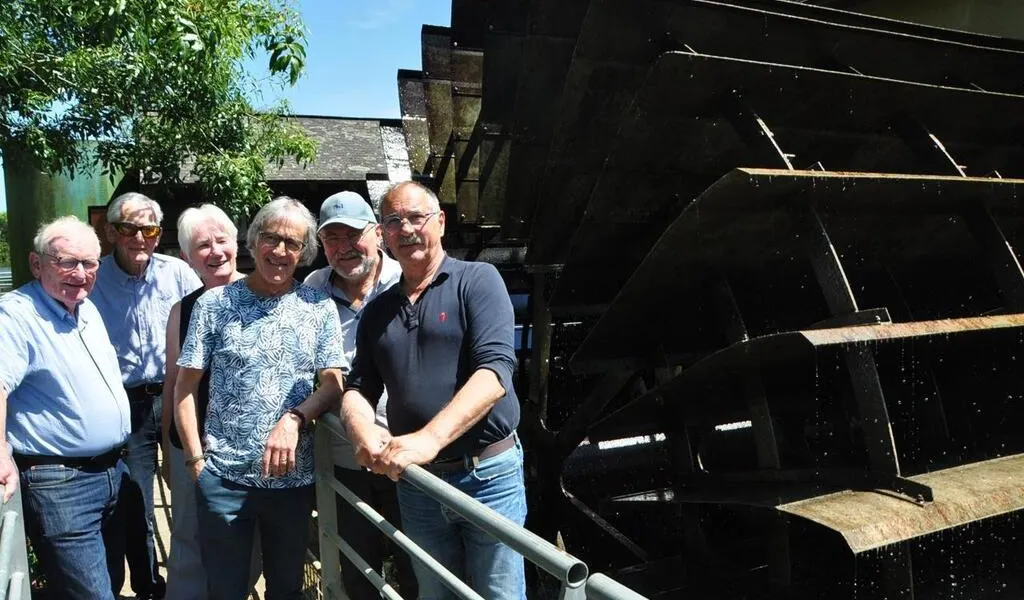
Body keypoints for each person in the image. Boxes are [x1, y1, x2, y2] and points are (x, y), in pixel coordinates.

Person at [341, 181, 526, 600]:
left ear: (440, 222)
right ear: (383, 235)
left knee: (498, 595)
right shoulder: (378, 310)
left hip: (487, 476)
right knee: (435, 593)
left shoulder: (479, 280)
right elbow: (358, 386)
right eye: (392, 221)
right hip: (418, 484)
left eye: (415, 217)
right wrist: (360, 429)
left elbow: (495, 372)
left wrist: (429, 439)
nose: (405, 229)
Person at [175, 196, 345, 599]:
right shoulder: (214, 304)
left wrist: (295, 418)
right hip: (223, 480)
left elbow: (333, 383)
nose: (281, 251)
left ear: (304, 254)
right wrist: (196, 463)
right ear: (253, 242)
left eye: (294, 244)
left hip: (291, 480)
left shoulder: (318, 307)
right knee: (225, 590)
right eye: (272, 238)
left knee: (286, 590)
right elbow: (184, 390)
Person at [0, 216, 131, 599]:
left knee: (102, 584)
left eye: (90, 263)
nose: (81, 273)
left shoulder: (85, 309)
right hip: (61, 483)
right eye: (67, 262)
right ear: (37, 263)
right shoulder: (16, 314)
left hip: (111, 472)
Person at [303, 191, 417, 599]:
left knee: (414, 564)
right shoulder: (313, 289)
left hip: (406, 455)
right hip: (343, 456)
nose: (343, 247)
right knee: (357, 565)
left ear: (377, 233)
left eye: (353, 234)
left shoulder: (407, 277)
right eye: (332, 239)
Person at [92, 191, 201, 599]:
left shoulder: (179, 274)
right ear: (111, 232)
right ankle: (148, 584)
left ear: (159, 234)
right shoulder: (93, 279)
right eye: (128, 229)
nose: (139, 238)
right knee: (136, 496)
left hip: (177, 396)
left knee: (190, 484)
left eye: (149, 229)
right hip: (127, 402)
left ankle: (193, 576)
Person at [162, 204, 260, 599]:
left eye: (222, 240)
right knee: (188, 538)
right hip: (192, 444)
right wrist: (170, 450)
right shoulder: (181, 310)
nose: (215, 251)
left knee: (248, 539)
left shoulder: (264, 296)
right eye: (203, 245)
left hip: (249, 451)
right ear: (187, 257)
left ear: (237, 244)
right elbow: (173, 381)